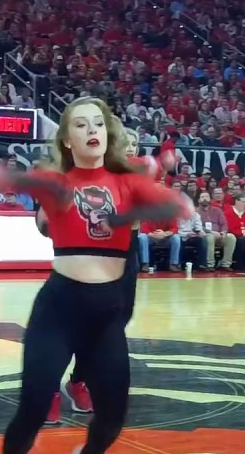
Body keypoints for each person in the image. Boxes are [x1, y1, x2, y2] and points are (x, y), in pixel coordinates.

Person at [0, 97, 191, 454]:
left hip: (106, 316)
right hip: (59, 311)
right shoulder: (57, 180)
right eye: (81, 124)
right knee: (33, 407)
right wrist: (4, 179)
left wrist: (175, 203)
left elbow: (166, 202)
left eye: (98, 123)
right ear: (67, 139)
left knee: (114, 414)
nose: (92, 129)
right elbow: (24, 191)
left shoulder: (126, 181)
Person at [36, 127, 167, 423]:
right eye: (125, 143)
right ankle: (49, 390)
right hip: (86, 256)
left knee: (111, 326)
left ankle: (78, 380)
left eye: (135, 143)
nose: (131, 148)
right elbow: (45, 221)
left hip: (125, 256)